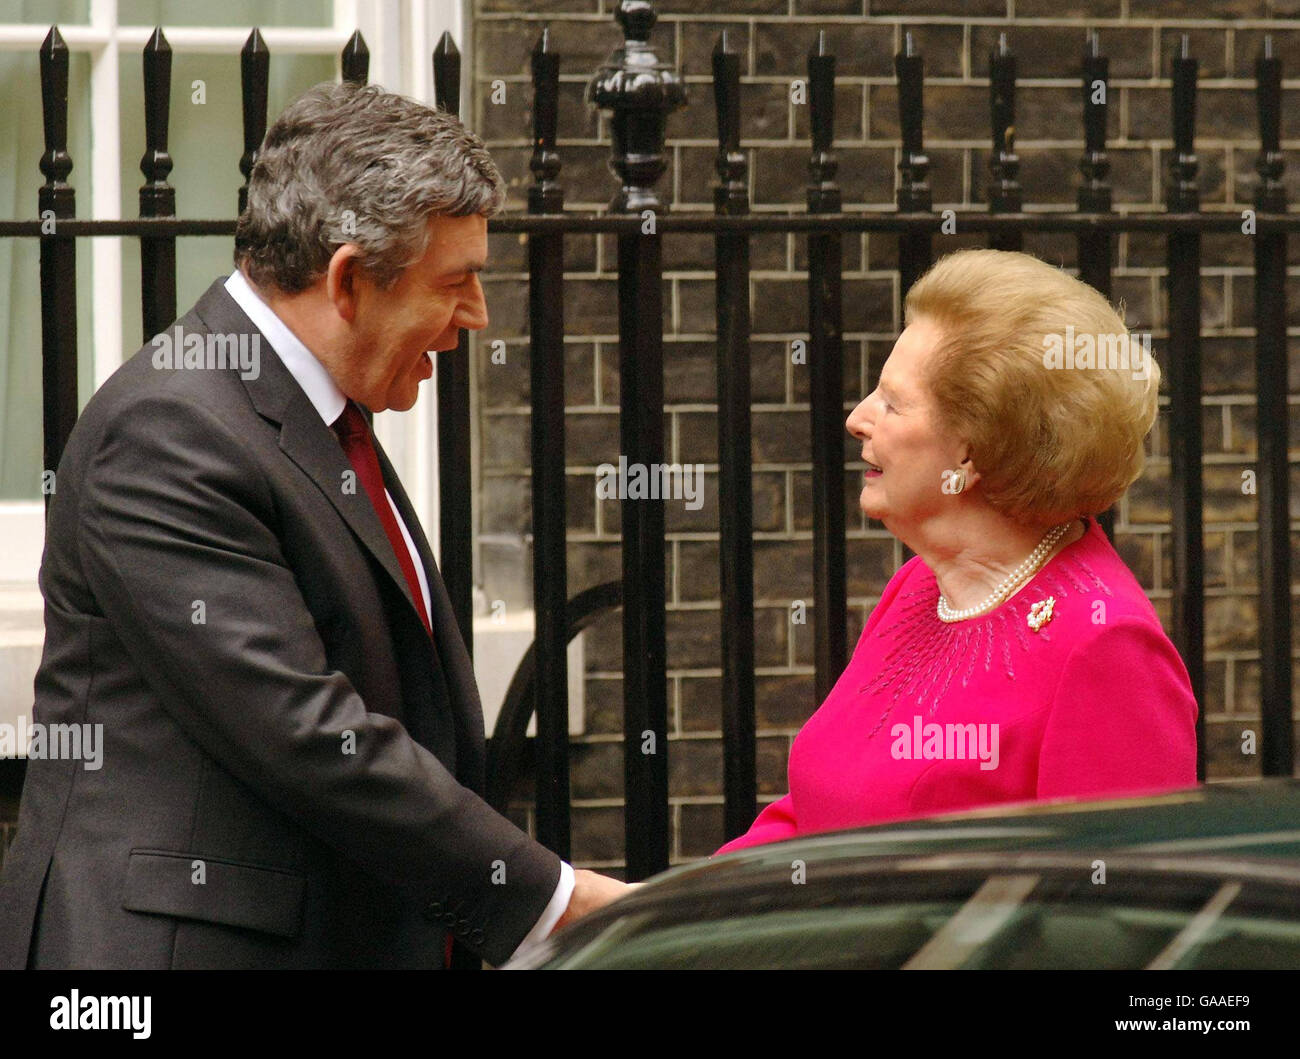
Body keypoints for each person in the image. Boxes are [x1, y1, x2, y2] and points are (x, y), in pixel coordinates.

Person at [0, 81, 627, 969]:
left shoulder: (315, 414)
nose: (476, 317)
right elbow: (304, 728)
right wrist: (553, 901)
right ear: (346, 280)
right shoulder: (170, 429)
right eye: (456, 282)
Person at [716, 248, 1198, 855]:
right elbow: (812, 814)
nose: (858, 418)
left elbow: (1112, 915)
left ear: (972, 454)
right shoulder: (920, 586)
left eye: (893, 402)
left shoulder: (1104, 645)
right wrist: (661, 913)